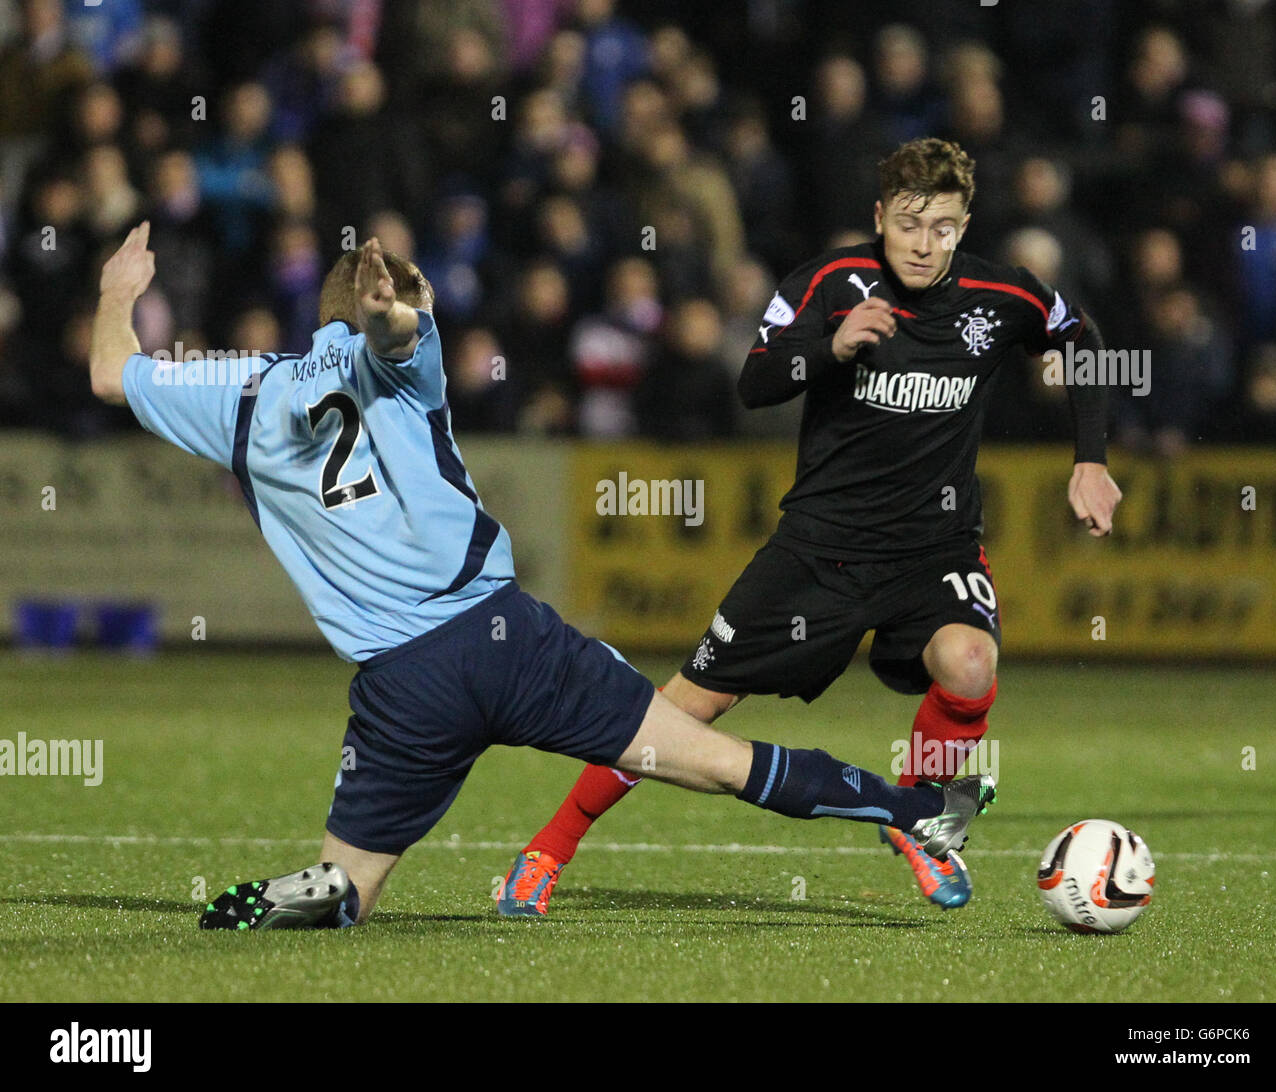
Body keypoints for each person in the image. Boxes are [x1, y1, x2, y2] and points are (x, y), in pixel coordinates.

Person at [87, 223, 996, 930]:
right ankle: (904, 805)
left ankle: (333, 889)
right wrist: (389, 315)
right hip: (508, 640)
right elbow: (394, 336)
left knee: (352, 887)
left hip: (403, 690)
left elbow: (107, 373)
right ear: (403, 299)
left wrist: (117, 291)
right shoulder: (399, 355)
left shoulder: (238, 392)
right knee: (718, 762)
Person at [499, 138, 1119, 917]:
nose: (925, 244)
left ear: (966, 226)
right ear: (878, 218)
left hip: (935, 548)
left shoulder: (1002, 296)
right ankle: (547, 850)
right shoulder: (830, 283)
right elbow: (756, 381)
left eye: (944, 227)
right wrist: (828, 347)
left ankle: (917, 818)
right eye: (909, 223)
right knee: (686, 709)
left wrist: (1090, 459)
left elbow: (1082, 336)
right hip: (820, 549)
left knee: (969, 662)